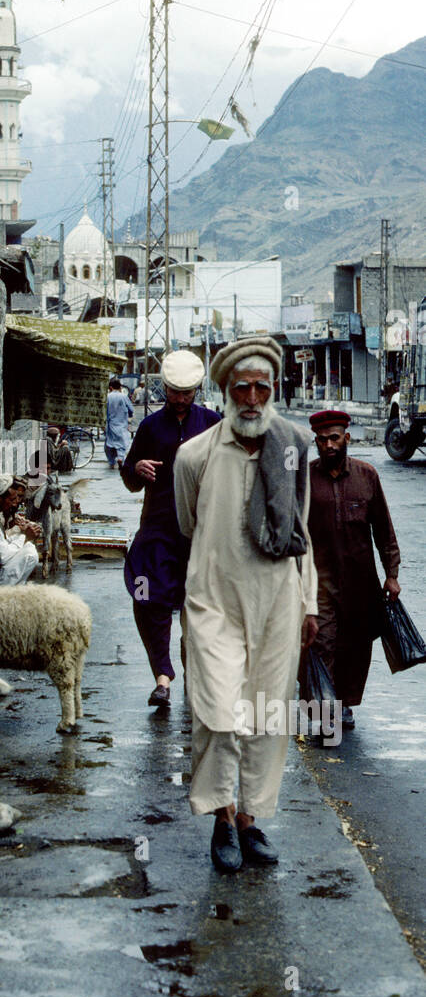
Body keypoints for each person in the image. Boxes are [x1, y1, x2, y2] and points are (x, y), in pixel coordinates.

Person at [173, 336, 319, 873]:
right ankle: (220, 815)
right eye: (243, 388)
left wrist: (309, 602)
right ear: (227, 392)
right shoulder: (194, 455)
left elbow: (300, 531)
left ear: (274, 389)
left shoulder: (294, 447)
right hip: (214, 601)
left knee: (267, 713)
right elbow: (189, 525)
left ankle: (251, 820)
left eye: (263, 387)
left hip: (278, 602)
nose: (253, 398)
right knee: (217, 711)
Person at [120, 350, 220, 707]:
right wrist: (137, 469)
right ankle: (162, 678)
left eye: (187, 393)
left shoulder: (213, 423)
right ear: (164, 388)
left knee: (201, 608)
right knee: (149, 600)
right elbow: (130, 477)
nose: (180, 400)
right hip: (159, 530)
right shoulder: (149, 427)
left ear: (197, 389)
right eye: (174, 392)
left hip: (202, 533)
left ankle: (197, 678)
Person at [306, 409, 401, 730]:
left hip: (361, 582)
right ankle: (323, 707)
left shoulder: (367, 476)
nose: (329, 445)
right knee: (322, 642)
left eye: (334, 438)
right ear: (316, 442)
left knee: (356, 645)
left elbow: (384, 530)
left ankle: (345, 703)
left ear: (347, 438)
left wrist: (391, 574)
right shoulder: (305, 480)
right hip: (319, 582)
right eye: (322, 440)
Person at [105, 378, 133, 469]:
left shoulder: (108, 397)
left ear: (110, 387)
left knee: (110, 444)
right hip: (122, 424)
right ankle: (120, 457)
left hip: (111, 424)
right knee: (122, 443)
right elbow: (131, 409)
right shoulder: (124, 396)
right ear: (120, 387)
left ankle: (111, 461)